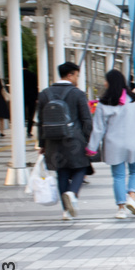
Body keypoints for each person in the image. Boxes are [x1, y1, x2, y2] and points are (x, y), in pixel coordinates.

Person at [86, 69, 135, 219]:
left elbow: (98, 129)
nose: (104, 83)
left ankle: (121, 208)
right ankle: (131, 198)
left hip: (114, 145)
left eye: (106, 80)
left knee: (118, 176)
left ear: (110, 82)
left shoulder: (103, 103)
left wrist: (91, 148)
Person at [36, 62, 92, 220]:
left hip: (53, 140)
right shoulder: (77, 94)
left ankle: (66, 211)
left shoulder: (45, 94)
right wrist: (89, 140)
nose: (77, 79)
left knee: (62, 172)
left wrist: (42, 144)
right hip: (75, 139)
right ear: (70, 75)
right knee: (82, 168)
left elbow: (40, 121)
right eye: (76, 75)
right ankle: (72, 193)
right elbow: (86, 120)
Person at [23, 69, 38, 138]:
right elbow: (35, 86)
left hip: (21, 97)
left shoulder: (18, 74)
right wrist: (36, 97)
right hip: (32, 97)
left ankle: (19, 129)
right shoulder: (32, 75)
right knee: (31, 114)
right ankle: (29, 131)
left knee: (20, 114)